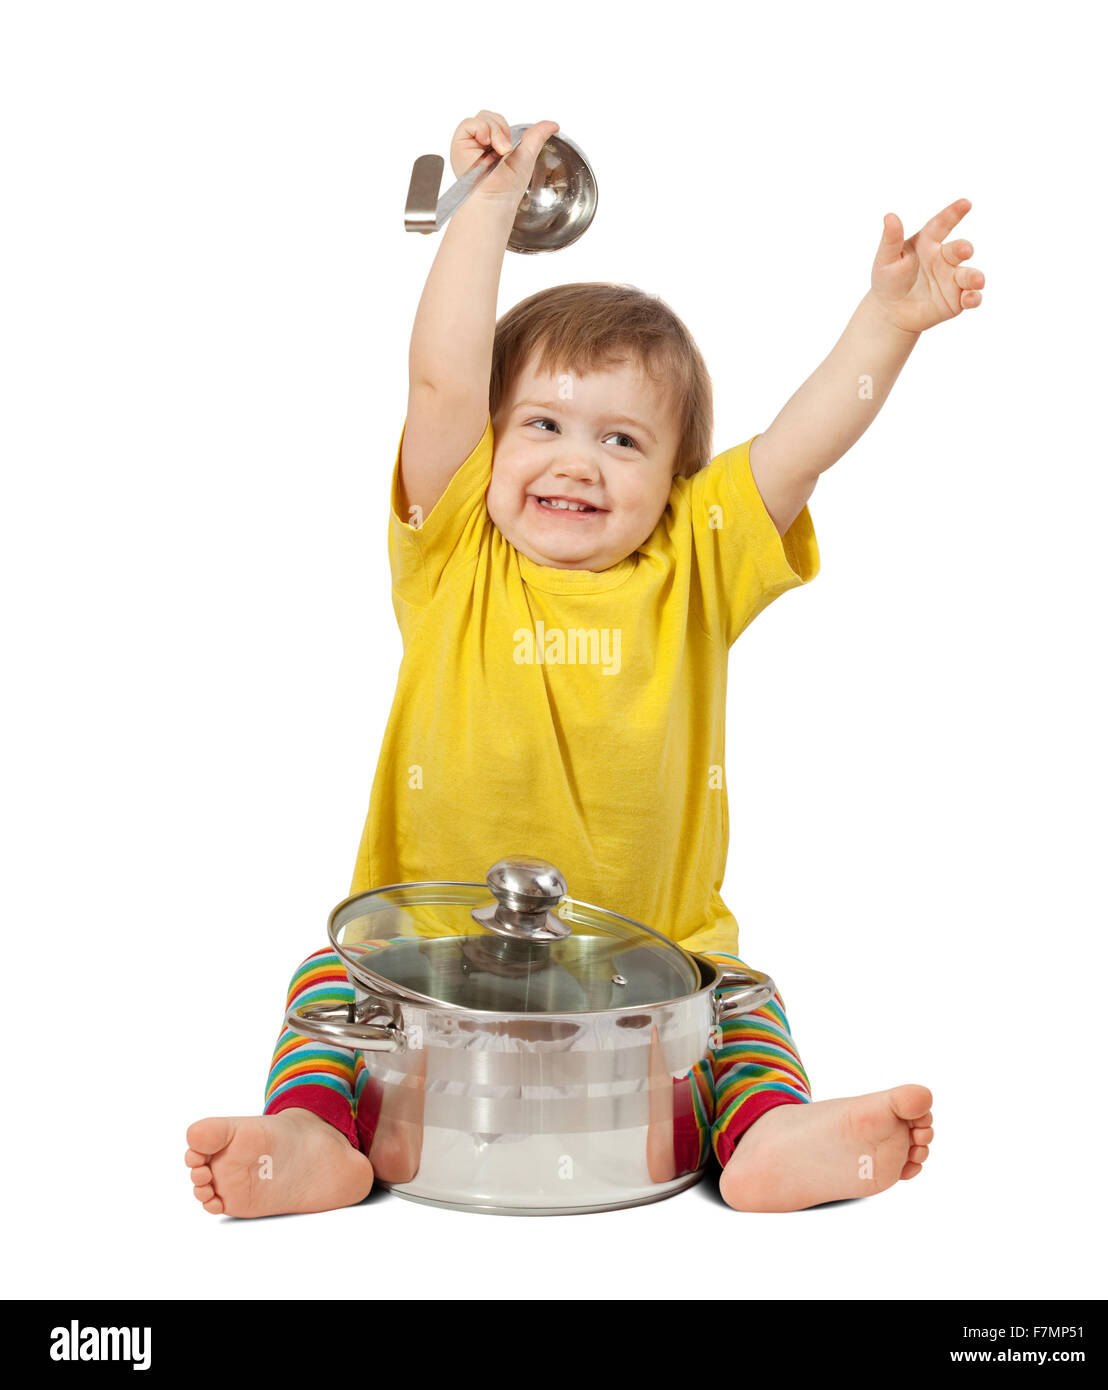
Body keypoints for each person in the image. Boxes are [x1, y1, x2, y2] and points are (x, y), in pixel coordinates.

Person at [186, 109, 982, 1216]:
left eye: (623, 439)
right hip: (425, 961)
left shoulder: (696, 561)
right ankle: (314, 1138)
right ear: (491, 448)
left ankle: (767, 1135)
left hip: (652, 972)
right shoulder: (454, 552)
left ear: (677, 481)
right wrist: (485, 212)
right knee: (328, 991)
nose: (577, 461)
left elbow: (801, 443)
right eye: (543, 426)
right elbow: (440, 386)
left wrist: (887, 321)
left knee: (741, 1006)